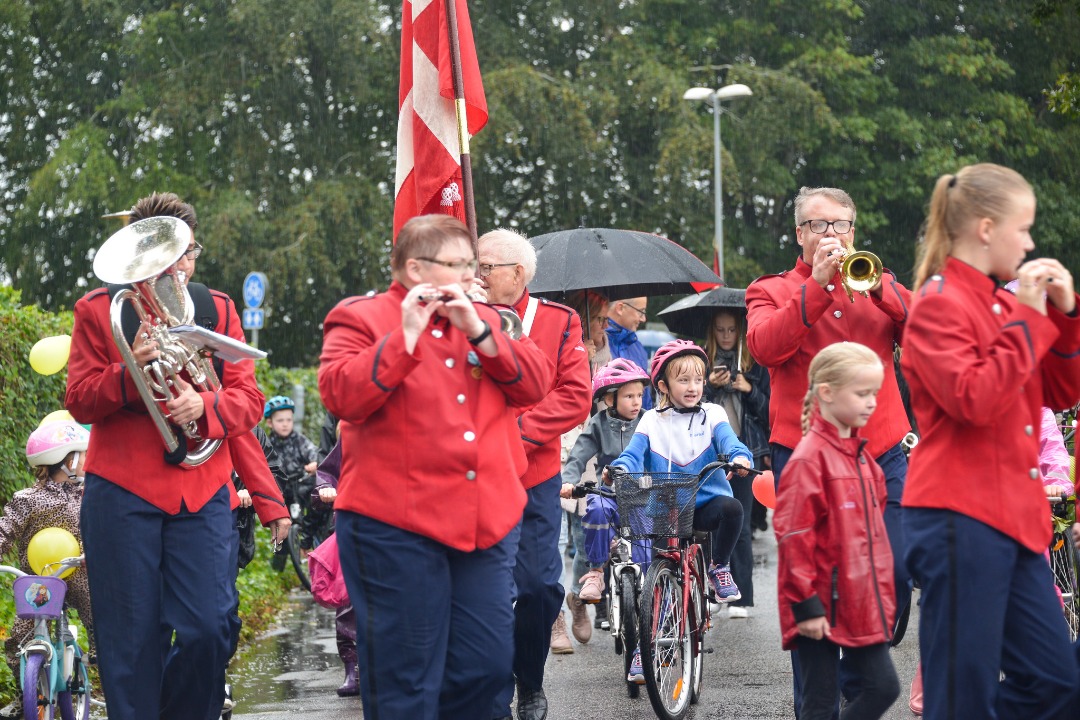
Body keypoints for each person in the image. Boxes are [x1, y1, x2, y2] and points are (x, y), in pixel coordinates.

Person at [317, 214, 554, 720]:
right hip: (394, 527)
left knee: (487, 667)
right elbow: (342, 396)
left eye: (474, 266)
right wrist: (403, 337)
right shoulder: (360, 317)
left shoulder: (488, 318)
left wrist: (481, 333)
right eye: (458, 266)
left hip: (484, 524)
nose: (474, 278)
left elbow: (535, 383)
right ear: (413, 268)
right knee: (407, 678)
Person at [66, 191, 266, 720]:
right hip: (121, 491)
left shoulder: (218, 307)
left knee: (211, 628)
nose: (178, 265)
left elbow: (250, 400)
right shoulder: (97, 309)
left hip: (201, 491)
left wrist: (202, 404)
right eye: (163, 252)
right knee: (128, 640)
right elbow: (80, 401)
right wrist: (130, 371)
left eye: (187, 252)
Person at [900, 163, 1080, 720]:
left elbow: (1059, 387)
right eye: (1023, 229)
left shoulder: (1004, 304)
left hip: (1013, 522)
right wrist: (1028, 317)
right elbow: (976, 399)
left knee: (1059, 684)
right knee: (961, 696)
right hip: (959, 519)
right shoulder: (937, 303)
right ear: (985, 228)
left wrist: (1067, 316)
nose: (1029, 244)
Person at [746, 186, 912, 714]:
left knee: (899, 569)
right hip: (806, 451)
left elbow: (923, 327)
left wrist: (883, 292)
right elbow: (765, 347)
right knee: (815, 579)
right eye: (819, 226)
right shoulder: (770, 289)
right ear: (800, 234)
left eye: (841, 225)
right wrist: (816, 286)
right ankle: (820, 696)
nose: (832, 235)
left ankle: (858, 682)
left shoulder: (876, 280)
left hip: (882, 449)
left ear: (854, 232)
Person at [477, 227, 592, 720]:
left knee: (541, 587)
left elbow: (574, 394)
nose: (477, 275)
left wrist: (517, 431)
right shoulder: (461, 317)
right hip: (475, 476)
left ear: (517, 274)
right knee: (485, 589)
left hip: (533, 472)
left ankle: (531, 679)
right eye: (474, 266)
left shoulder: (559, 320)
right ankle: (493, 687)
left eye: (486, 267)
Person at [609, 339, 753, 681]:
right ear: (663, 385)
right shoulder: (650, 421)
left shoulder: (713, 414)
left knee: (732, 508)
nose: (693, 387)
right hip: (667, 506)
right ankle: (644, 655)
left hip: (704, 504)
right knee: (657, 583)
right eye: (683, 380)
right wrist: (621, 467)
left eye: (698, 379)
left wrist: (740, 457)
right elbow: (632, 454)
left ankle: (720, 568)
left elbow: (730, 442)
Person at [774, 342, 900, 720]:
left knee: (883, 687)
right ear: (826, 393)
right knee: (819, 704)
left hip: (859, 600)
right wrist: (806, 605)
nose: (872, 402)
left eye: (874, 393)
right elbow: (794, 537)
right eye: (862, 393)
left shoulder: (863, 458)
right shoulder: (808, 459)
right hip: (819, 605)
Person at [559, 358, 649, 678]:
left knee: (647, 571)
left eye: (639, 395)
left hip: (643, 496)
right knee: (593, 507)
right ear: (608, 399)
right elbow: (579, 454)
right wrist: (568, 481)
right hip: (609, 493)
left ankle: (646, 640)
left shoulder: (650, 422)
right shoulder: (597, 424)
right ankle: (596, 571)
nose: (636, 402)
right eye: (628, 396)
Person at [0, 421, 95, 719]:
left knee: (99, 618)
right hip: (40, 581)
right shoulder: (27, 500)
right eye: (83, 455)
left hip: (78, 572)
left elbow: (105, 530)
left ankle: (104, 665)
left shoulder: (88, 496)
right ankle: (25, 692)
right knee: (18, 637)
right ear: (69, 461)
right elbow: (5, 531)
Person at [703, 308, 771, 618]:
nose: (727, 335)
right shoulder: (701, 361)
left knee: (741, 525)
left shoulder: (755, 363)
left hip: (746, 452)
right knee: (707, 524)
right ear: (713, 331)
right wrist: (711, 385)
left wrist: (749, 388)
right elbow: (691, 404)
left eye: (732, 329)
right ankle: (710, 591)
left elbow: (769, 409)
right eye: (721, 329)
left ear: (740, 331)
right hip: (709, 455)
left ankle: (742, 597)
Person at [310, 430, 361, 697]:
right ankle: (352, 668)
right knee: (348, 598)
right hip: (354, 523)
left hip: (407, 526)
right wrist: (324, 487)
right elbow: (328, 470)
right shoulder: (357, 426)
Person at [262, 395, 324, 558]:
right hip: (282, 489)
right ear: (270, 423)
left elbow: (313, 451)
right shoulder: (267, 444)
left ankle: (315, 536)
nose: (285, 424)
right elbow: (259, 464)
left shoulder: (298, 440)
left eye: (288, 420)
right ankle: (280, 556)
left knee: (317, 504)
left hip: (302, 484)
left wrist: (314, 462)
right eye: (280, 420)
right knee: (279, 519)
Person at [606, 297, 653, 409]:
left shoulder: (637, 347)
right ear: (620, 308)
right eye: (641, 312)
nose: (643, 319)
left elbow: (645, 399)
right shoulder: (596, 342)